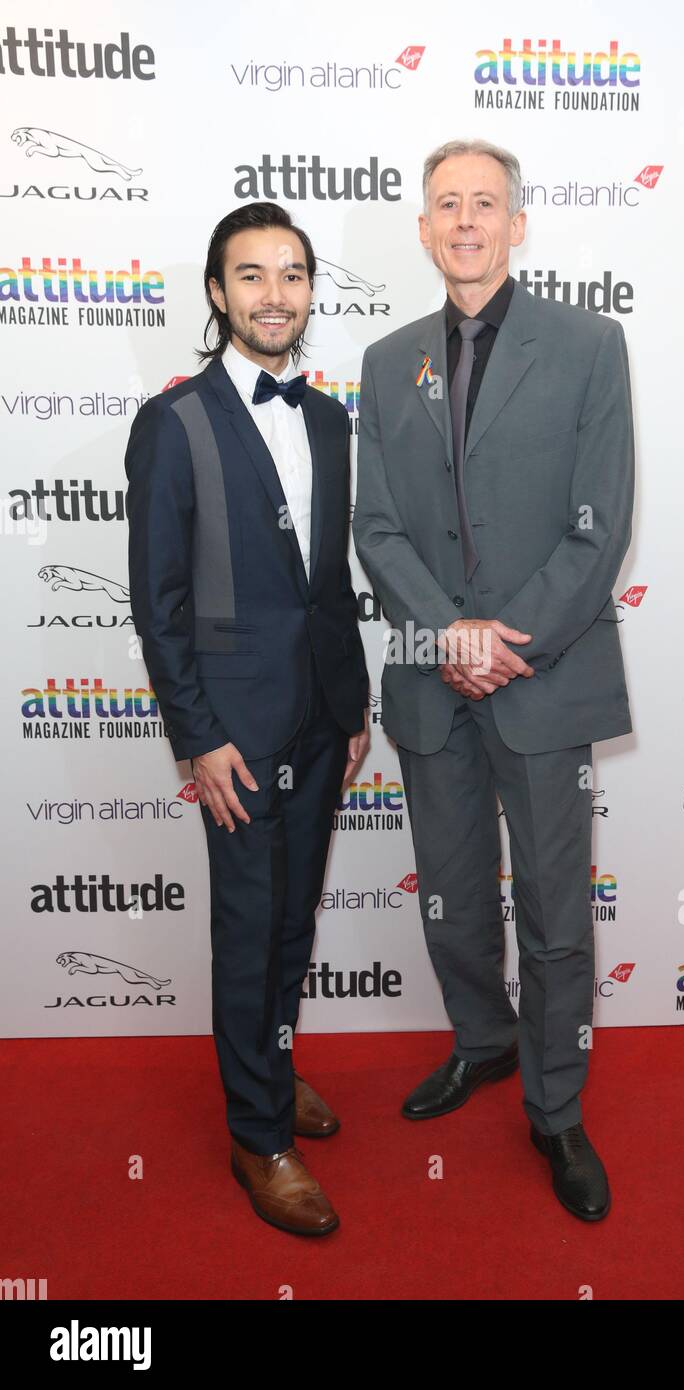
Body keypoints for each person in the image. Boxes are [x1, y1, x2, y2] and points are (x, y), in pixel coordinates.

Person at [353, 139, 634, 1221]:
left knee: (557, 918)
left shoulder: (589, 345)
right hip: (435, 682)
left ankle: (556, 1110)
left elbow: (599, 524)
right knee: (453, 901)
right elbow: (375, 526)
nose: (464, 221)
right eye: (445, 205)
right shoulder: (386, 362)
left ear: (518, 224)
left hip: (544, 679)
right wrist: (450, 635)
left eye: (484, 203)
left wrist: (504, 638)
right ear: (422, 230)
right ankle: (483, 1043)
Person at [126, 202, 369, 1236]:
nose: (276, 294)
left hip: (320, 714)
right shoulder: (172, 423)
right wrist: (197, 733)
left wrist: (351, 704)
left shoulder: (325, 417)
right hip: (234, 732)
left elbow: (328, 582)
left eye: (293, 274)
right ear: (219, 294)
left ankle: (270, 1065)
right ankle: (257, 1135)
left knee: (294, 918)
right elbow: (158, 600)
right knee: (248, 926)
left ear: (311, 291)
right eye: (252, 275)